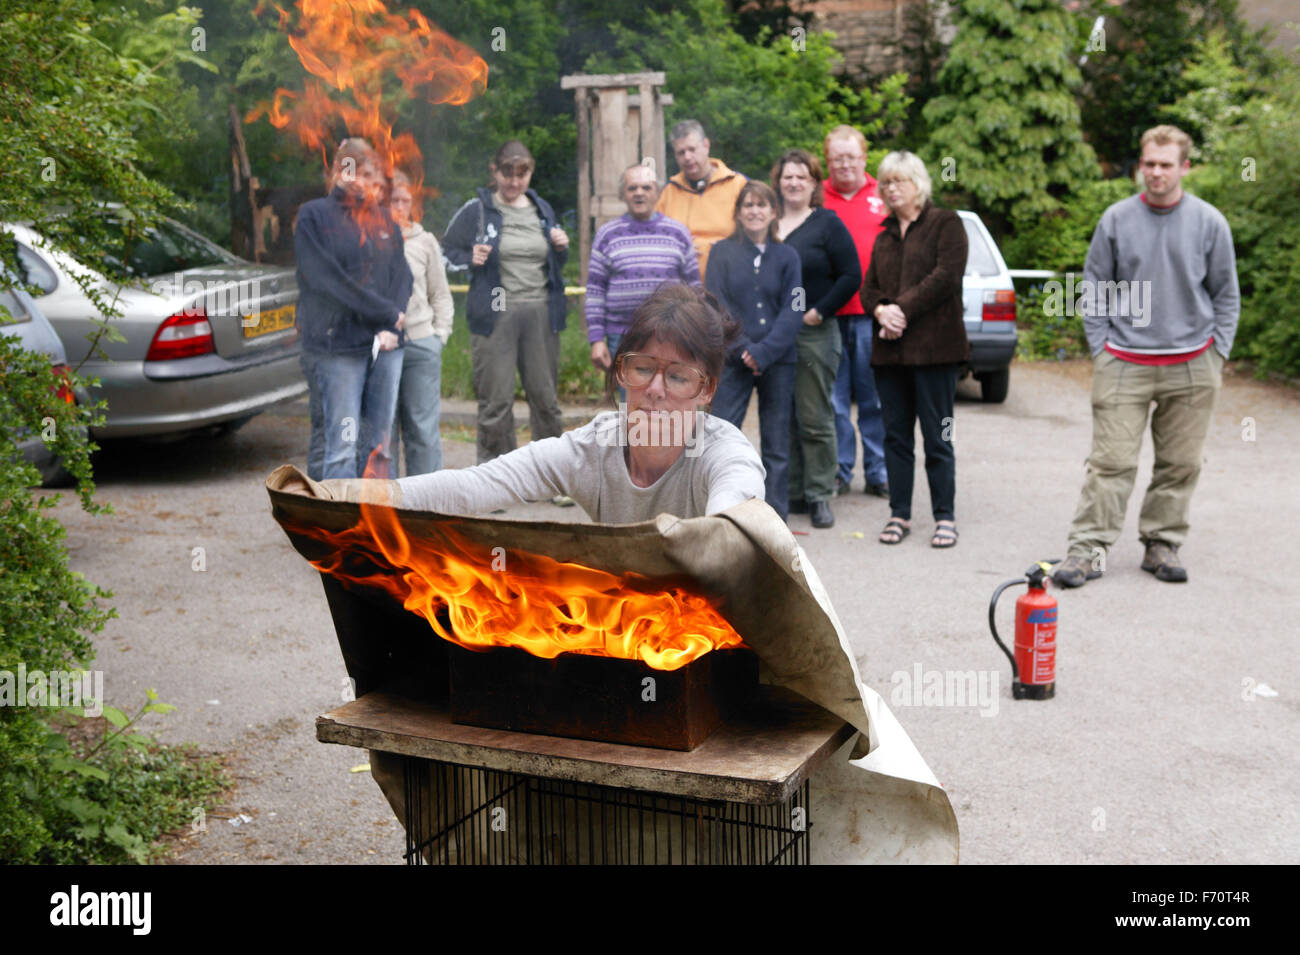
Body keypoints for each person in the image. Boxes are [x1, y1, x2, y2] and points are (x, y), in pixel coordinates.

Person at [301, 284, 766, 521]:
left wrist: (719, 530)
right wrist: (349, 496)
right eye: (643, 368)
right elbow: (475, 486)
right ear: (622, 369)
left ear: (707, 390)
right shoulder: (593, 448)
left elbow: (735, 511)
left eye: (679, 376)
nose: (656, 389)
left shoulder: (723, 453)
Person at [1052, 125, 1239, 588]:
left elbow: (1226, 295)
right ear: (1140, 165)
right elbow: (1093, 285)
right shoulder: (1116, 219)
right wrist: (1100, 347)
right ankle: (1088, 550)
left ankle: (1162, 542)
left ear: (1184, 167)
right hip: (1124, 360)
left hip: (1193, 362)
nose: (1156, 172)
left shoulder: (1209, 221)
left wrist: (1217, 354)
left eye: (1166, 164)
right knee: (1110, 463)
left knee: (1180, 463)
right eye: (1149, 164)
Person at [860, 151, 968, 548]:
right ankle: (899, 514)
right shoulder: (883, 234)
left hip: (935, 352)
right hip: (890, 354)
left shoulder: (946, 223)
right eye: (885, 182)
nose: (890, 189)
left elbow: (946, 277)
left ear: (918, 184)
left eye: (898, 181)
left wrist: (899, 310)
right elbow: (867, 287)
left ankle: (945, 517)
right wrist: (880, 310)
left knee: (938, 437)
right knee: (896, 437)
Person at [442, 140, 569, 465]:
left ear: (531, 173)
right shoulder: (477, 209)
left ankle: (551, 476)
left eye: (522, 175)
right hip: (494, 313)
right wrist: (470, 258)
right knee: (496, 402)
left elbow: (556, 263)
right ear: (494, 171)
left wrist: (560, 248)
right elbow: (444, 254)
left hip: (540, 312)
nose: (514, 183)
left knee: (545, 399)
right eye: (508, 174)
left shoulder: (542, 208)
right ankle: (495, 478)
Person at [295, 138, 413, 480]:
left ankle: (379, 525)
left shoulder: (384, 219)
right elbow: (327, 280)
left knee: (380, 445)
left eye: (367, 173)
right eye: (351, 170)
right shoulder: (314, 216)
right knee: (342, 444)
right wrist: (386, 315)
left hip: (387, 348)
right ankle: (337, 530)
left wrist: (393, 326)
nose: (358, 180)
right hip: (338, 348)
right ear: (336, 170)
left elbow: (401, 277)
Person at [773, 148, 861, 530]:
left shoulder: (827, 223)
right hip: (777, 335)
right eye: (787, 176)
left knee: (815, 414)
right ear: (778, 182)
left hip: (814, 333)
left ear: (814, 184)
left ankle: (821, 493)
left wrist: (819, 310)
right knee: (783, 414)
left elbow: (851, 275)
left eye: (801, 177)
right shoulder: (768, 222)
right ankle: (792, 490)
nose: (793, 183)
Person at [706, 181, 804, 521]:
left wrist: (765, 352)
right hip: (733, 359)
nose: (754, 211)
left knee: (776, 441)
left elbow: (795, 308)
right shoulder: (722, 252)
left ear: (773, 212)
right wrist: (745, 349)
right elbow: (716, 303)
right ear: (738, 213)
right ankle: (719, 511)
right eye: (748, 205)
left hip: (778, 361)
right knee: (721, 432)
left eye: (762, 205)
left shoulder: (788, 256)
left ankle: (774, 518)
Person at [586, 163, 701, 391]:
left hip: (672, 335)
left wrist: (695, 332)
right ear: (623, 194)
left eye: (646, 187)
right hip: (623, 336)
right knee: (633, 406)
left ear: (657, 193)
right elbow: (595, 291)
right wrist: (597, 340)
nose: (639, 193)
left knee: (672, 401)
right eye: (632, 188)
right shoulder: (607, 234)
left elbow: (694, 289)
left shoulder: (678, 233)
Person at [822, 125, 891, 500]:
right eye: (837, 157)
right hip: (829, 316)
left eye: (851, 156)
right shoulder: (817, 198)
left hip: (871, 315)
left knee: (874, 400)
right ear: (827, 160)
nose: (844, 164)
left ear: (865, 158)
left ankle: (878, 472)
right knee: (833, 402)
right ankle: (839, 470)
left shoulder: (883, 195)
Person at [388, 171, 454, 476]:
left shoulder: (425, 241)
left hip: (420, 344)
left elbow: (440, 293)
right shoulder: (369, 237)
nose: (400, 206)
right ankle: (385, 506)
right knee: (382, 428)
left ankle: (425, 506)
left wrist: (439, 335)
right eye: (393, 200)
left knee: (422, 430)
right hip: (384, 347)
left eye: (405, 200)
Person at [654, 120, 748, 282]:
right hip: (682, 289)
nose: (687, 157)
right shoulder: (668, 192)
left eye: (692, 149)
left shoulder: (738, 184)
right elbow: (654, 239)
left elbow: (759, 234)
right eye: (681, 152)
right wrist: (676, 248)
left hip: (732, 282)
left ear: (706, 145)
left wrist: (730, 246)